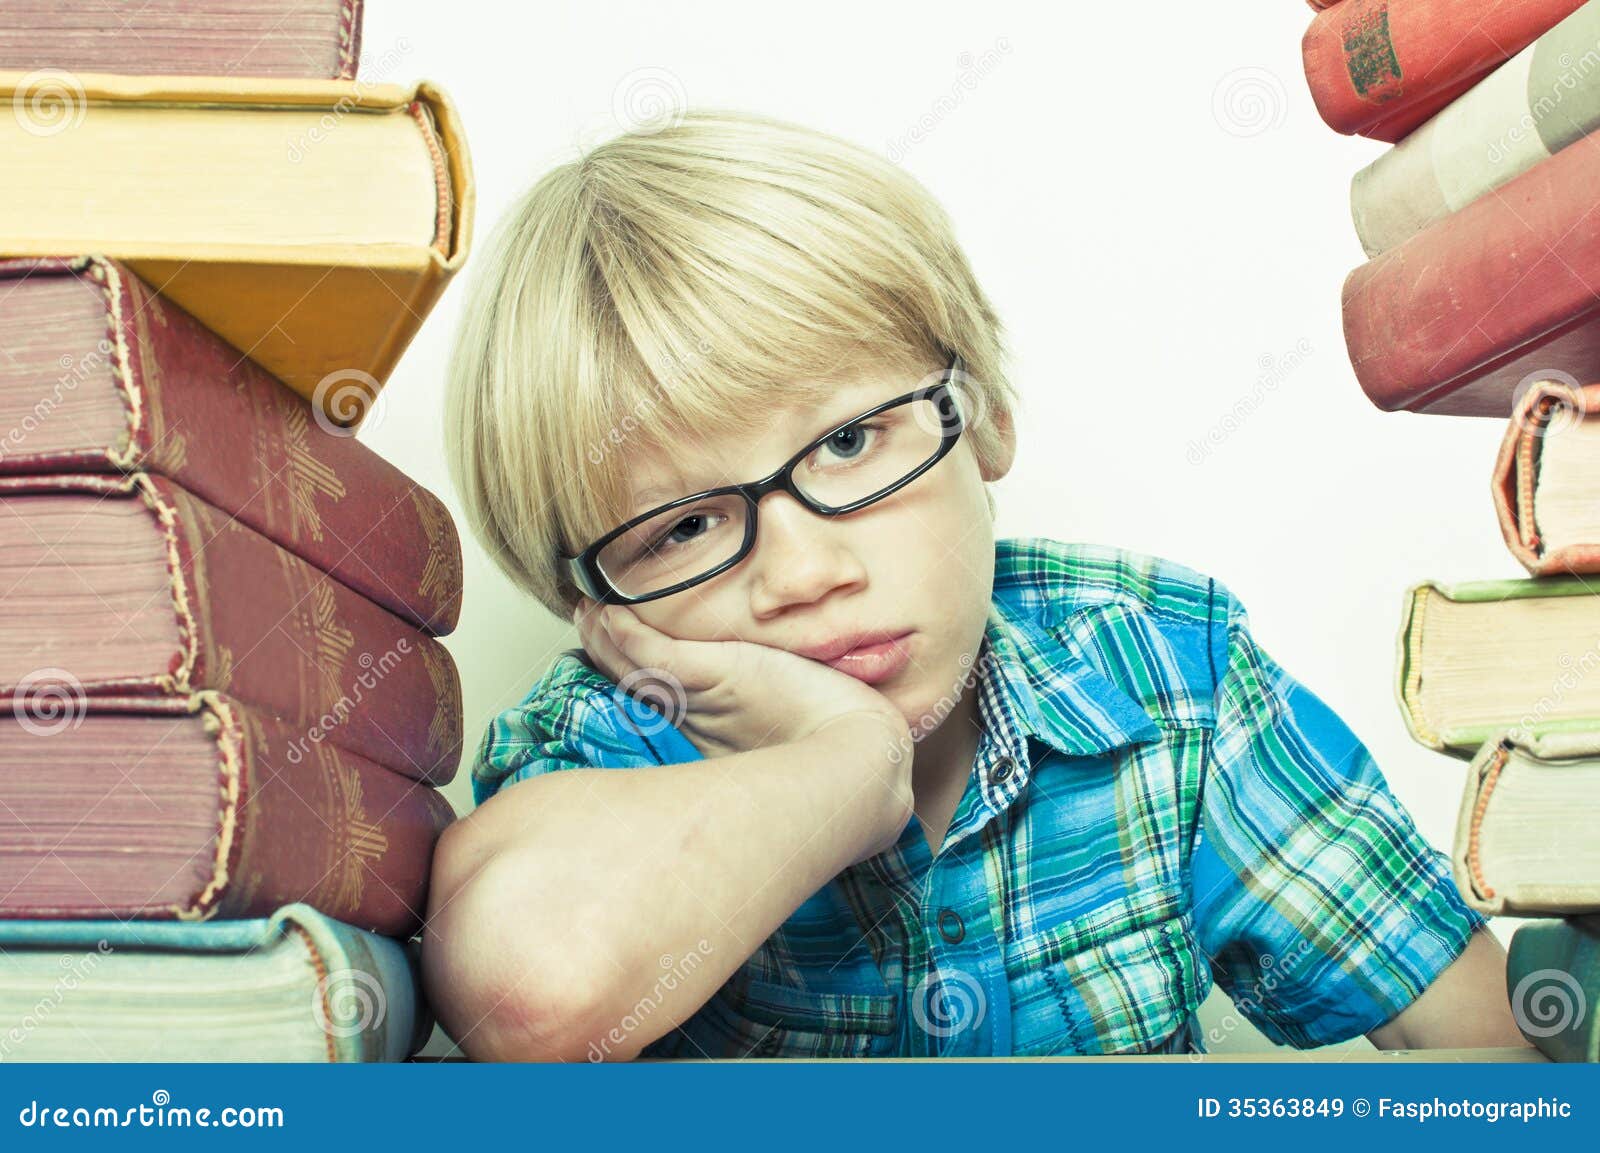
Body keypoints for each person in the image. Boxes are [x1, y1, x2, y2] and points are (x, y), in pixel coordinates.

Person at [424, 108, 1529, 1060]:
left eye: (849, 440)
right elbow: (528, 992)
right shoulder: (606, 743)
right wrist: (848, 762)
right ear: (600, 613)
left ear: (986, 417)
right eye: (684, 527)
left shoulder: (1160, 662)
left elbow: (1491, 1064)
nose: (804, 573)